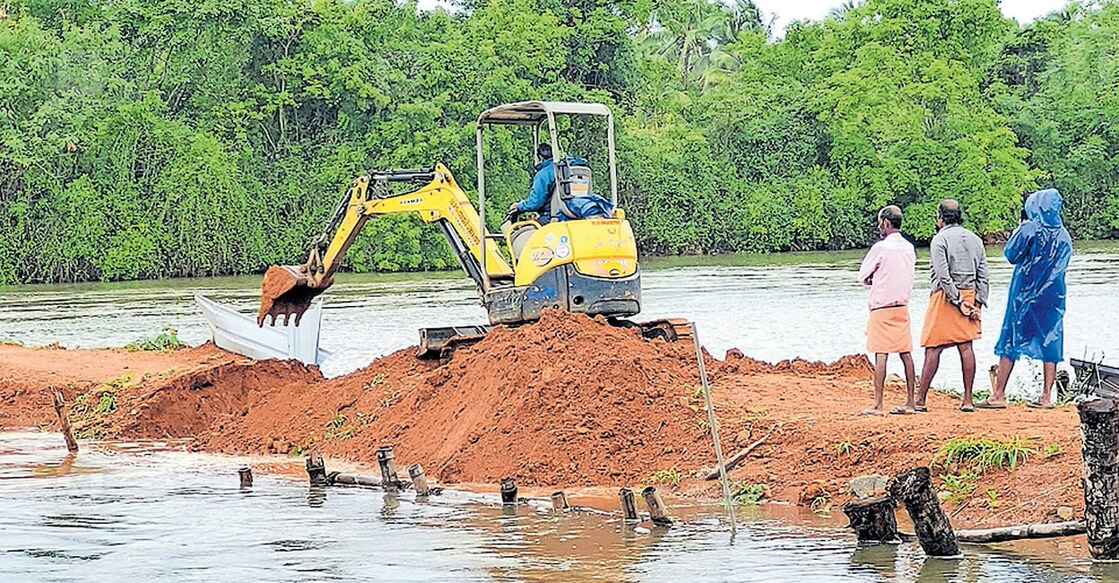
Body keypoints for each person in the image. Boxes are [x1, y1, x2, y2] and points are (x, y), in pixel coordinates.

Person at [977, 189, 1073, 410]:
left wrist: (1017, 233)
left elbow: (1011, 255)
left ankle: (998, 394)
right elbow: (1060, 268)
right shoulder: (1064, 235)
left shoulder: (1029, 228)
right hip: (1052, 297)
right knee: (1051, 339)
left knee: (1011, 338)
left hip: (1024, 293)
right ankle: (1046, 396)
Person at [914, 199, 990, 412]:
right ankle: (968, 400)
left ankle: (920, 400)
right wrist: (977, 303)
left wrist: (957, 300)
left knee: (933, 347)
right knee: (966, 346)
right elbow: (983, 274)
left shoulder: (940, 239)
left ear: (940, 218)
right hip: (970, 295)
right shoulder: (975, 239)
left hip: (945, 297)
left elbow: (943, 275)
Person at [857, 205, 917, 415]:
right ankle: (910, 402)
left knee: (881, 353)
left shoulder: (880, 248)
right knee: (905, 353)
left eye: (879, 223)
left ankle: (878, 404)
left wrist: (874, 280)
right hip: (902, 307)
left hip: (881, 307)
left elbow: (863, 276)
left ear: (886, 223)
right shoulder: (909, 248)